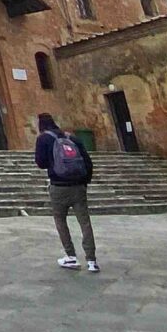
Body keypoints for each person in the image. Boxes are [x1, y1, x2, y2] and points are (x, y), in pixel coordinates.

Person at [34, 113, 97, 272]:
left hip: (58, 186)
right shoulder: (71, 138)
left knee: (60, 221)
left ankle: (71, 256)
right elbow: (87, 161)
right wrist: (85, 182)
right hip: (78, 186)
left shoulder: (43, 139)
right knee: (85, 222)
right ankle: (91, 261)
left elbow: (41, 163)